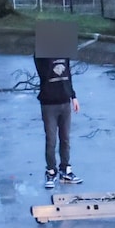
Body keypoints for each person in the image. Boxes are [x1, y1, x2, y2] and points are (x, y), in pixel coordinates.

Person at [35, 55, 82, 188]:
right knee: (51, 140)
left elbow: (68, 75)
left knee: (65, 138)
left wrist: (73, 96)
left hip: (65, 101)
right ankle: (51, 171)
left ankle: (65, 169)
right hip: (49, 103)